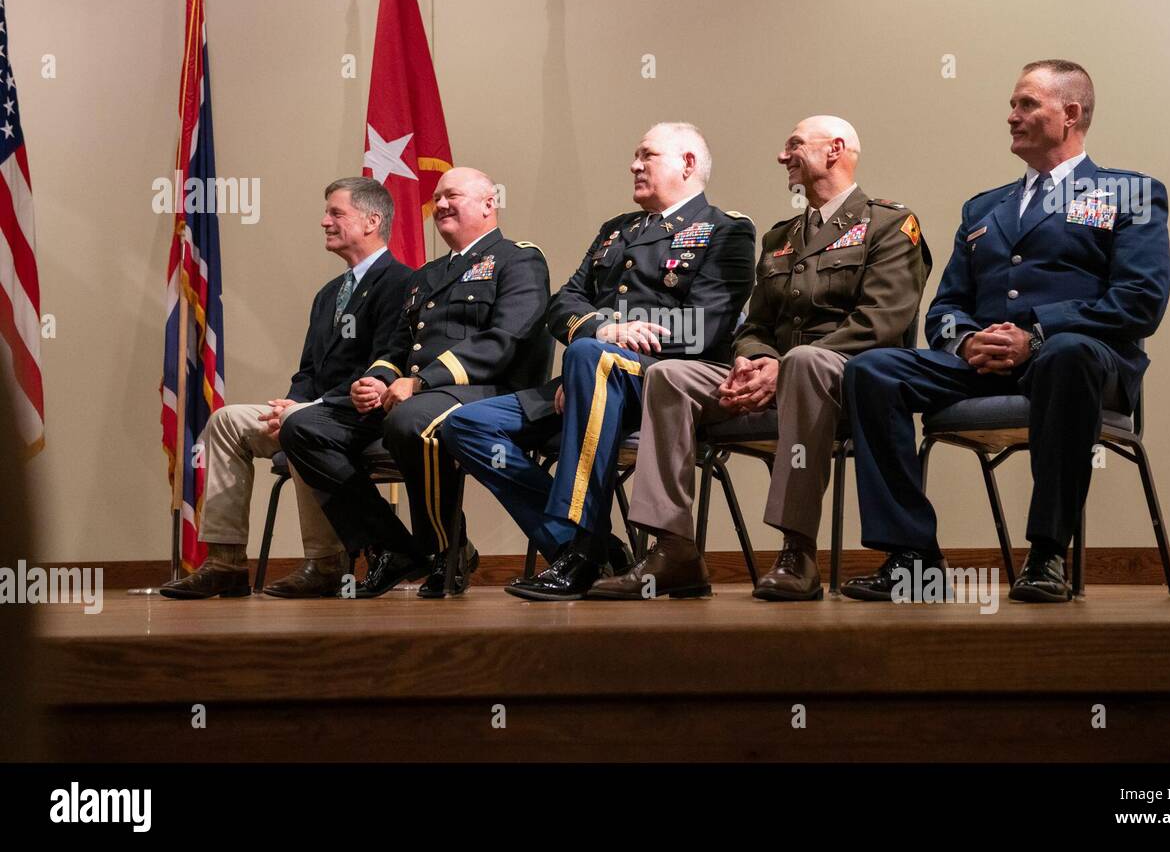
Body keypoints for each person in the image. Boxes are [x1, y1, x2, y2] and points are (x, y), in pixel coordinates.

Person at [841, 60, 1170, 603]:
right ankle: (913, 559)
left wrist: (1037, 336)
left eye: (1026, 104)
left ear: (1070, 114)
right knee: (874, 370)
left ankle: (1046, 555)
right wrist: (966, 341)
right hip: (986, 365)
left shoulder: (1129, 192)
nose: (1011, 116)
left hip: (1079, 363)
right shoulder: (984, 206)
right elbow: (946, 305)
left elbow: (1139, 302)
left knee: (1066, 355)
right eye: (1013, 105)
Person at [590, 115, 931, 601]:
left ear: (834, 150)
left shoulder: (889, 223)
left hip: (846, 377)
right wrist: (756, 359)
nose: (781, 155)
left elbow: (883, 320)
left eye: (794, 144)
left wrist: (784, 364)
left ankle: (798, 550)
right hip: (776, 374)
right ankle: (674, 548)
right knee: (669, 375)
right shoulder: (780, 237)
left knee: (804, 364)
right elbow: (753, 325)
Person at [441, 123, 756, 601]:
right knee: (465, 426)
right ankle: (586, 546)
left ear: (687, 164)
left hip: (663, 385)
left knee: (590, 357)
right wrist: (600, 333)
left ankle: (582, 551)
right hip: (592, 378)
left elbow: (706, 329)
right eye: (635, 155)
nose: (634, 165)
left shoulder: (726, 229)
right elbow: (562, 303)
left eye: (646, 155)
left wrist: (599, 351)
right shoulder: (616, 229)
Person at [279, 167, 550, 598]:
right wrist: (375, 378)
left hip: (491, 393)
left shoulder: (519, 258)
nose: (440, 204)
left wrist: (421, 382)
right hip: (419, 393)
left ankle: (444, 548)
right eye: (437, 198)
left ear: (488, 203)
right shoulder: (427, 273)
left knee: (410, 419)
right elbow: (398, 346)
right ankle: (392, 547)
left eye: (453, 196)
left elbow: (505, 341)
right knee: (304, 428)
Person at [160, 177, 413, 599]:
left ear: (371, 221)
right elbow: (309, 369)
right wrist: (292, 402)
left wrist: (305, 409)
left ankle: (326, 564)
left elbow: (389, 363)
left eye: (336, 213)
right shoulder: (329, 293)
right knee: (226, 421)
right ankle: (225, 562)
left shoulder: (402, 282)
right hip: (315, 409)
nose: (324, 222)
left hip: (364, 417)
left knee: (301, 424)